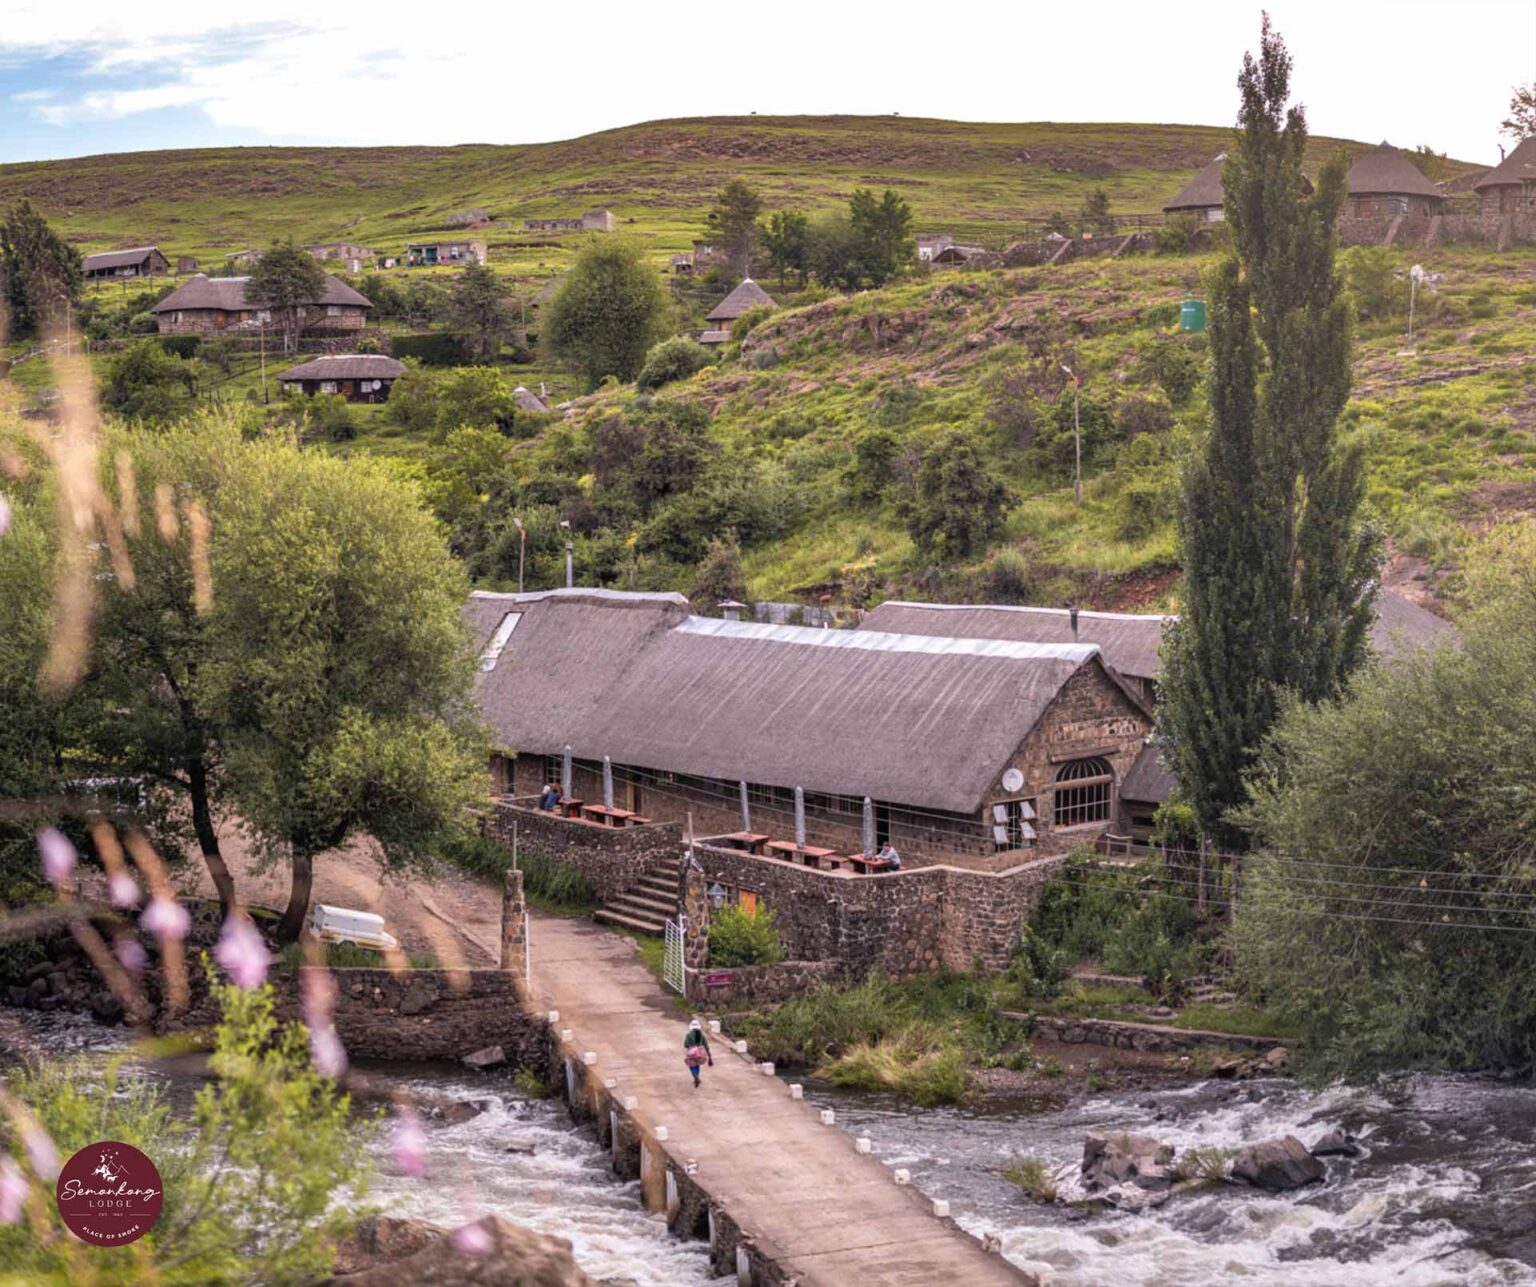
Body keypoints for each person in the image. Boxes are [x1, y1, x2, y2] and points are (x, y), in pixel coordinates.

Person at [684, 1018, 712, 1088]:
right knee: (697, 1065)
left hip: (692, 1053)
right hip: (700, 1052)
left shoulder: (689, 1035)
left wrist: (690, 1046)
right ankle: (697, 1076)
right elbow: (705, 1044)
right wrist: (708, 1052)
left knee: (691, 1065)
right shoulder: (702, 1035)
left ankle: (695, 1076)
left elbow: (686, 1044)